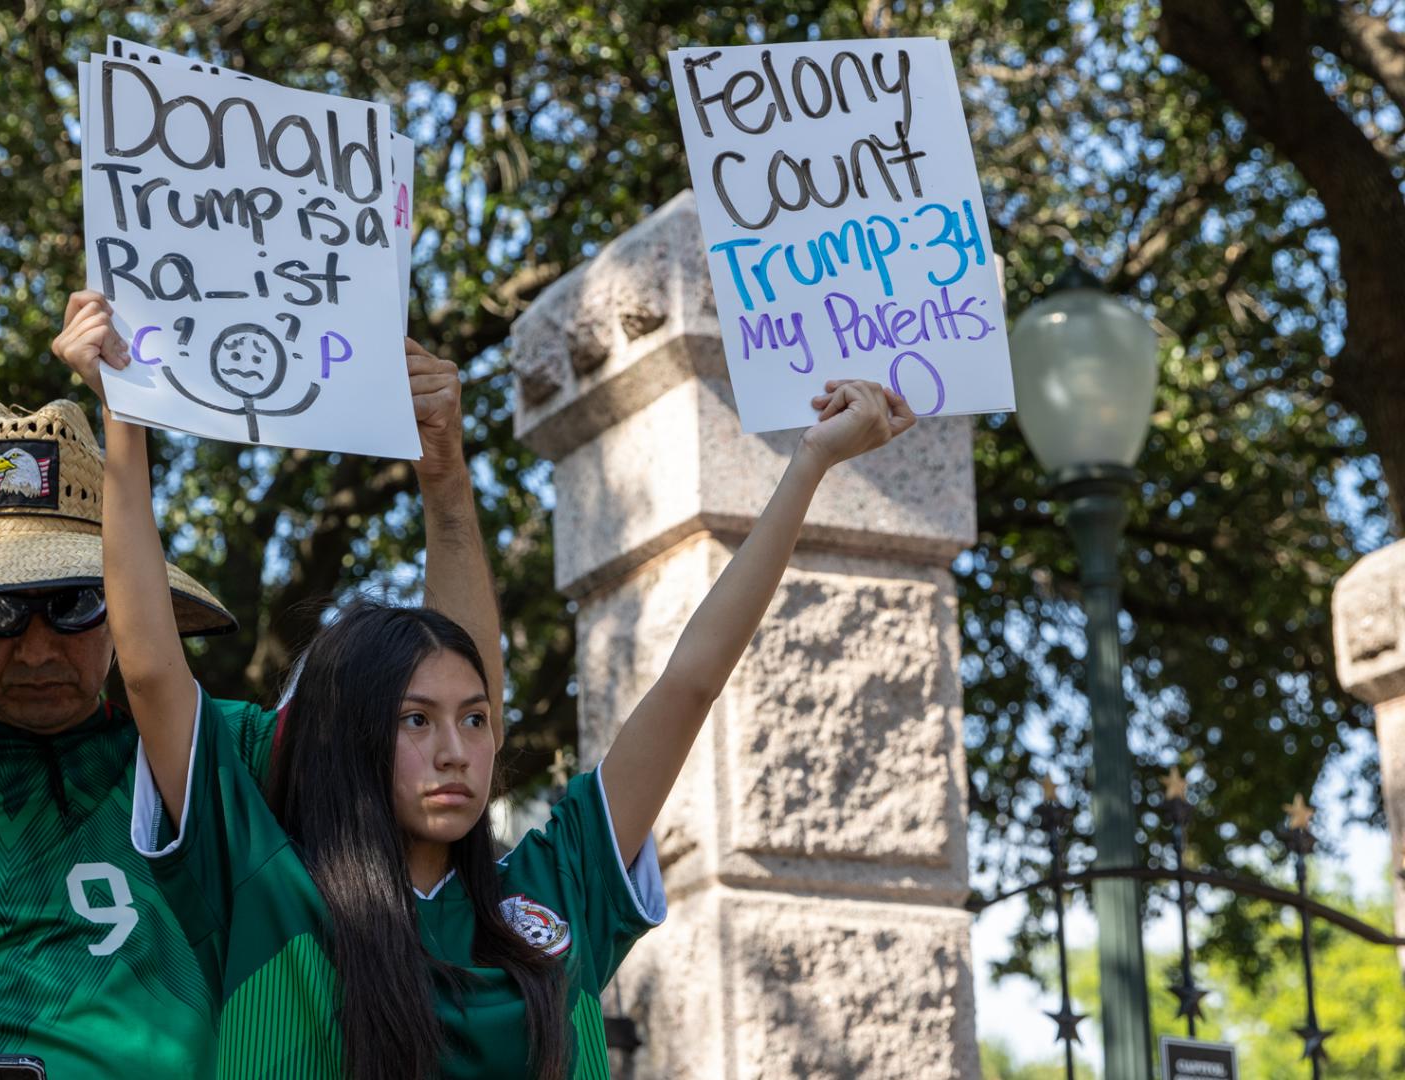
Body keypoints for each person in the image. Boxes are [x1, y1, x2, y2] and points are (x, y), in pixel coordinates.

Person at [64, 294, 916, 1079]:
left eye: (476, 720)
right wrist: (126, 416)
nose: (456, 751)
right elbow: (148, 666)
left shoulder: (552, 890)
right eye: (415, 721)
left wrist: (809, 465)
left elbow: (690, 682)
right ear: (348, 737)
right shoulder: (263, 884)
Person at [0, 292, 503, 1080]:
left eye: (74, 602)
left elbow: (448, 698)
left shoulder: (209, 758)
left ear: (121, 604)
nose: (36, 647)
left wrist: (444, 479)